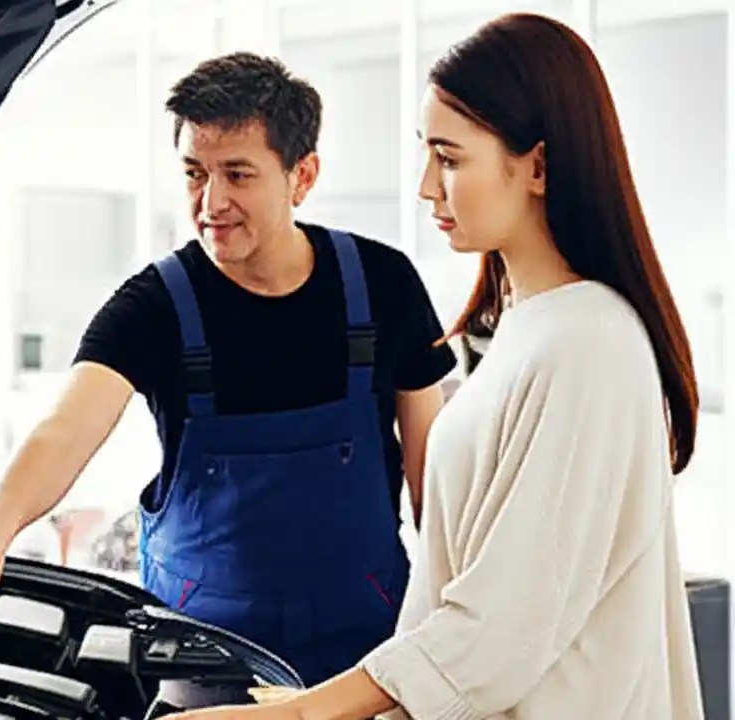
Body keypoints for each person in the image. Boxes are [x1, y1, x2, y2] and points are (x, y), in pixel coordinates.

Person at [163, 13, 705, 720]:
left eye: (449, 158)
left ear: (537, 165)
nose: (426, 187)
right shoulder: (525, 330)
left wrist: (299, 715)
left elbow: (500, 627)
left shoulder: (589, 340)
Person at [0, 51, 457, 704]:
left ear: (302, 176)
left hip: (362, 655)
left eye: (237, 174)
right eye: (195, 174)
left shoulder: (384, 285)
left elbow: (434, 482)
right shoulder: (155, 305)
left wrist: (450, 630)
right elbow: (65, 428)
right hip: (201, 660)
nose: (211, 203)